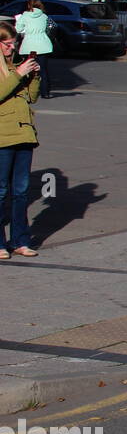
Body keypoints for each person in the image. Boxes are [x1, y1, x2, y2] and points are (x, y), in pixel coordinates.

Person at [0, 21, 42, 258]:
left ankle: (20, 240)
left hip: (24, 134)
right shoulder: (11, 70)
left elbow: (32, 98)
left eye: (14, 43)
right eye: (7, 43)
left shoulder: (15, 66)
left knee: (21, 191)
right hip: (2, 137)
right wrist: (18, 74)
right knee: (1, 191)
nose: (12, 48)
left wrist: (34, 77)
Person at [15, 0, 55, 99]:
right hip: (43, 45)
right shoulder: (44, 16)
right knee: (43, 70)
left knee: (27, 69)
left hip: (28, 45)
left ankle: (27, 91)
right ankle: (45, 92)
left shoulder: (25, 16)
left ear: (29, 5)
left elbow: (18, 29)